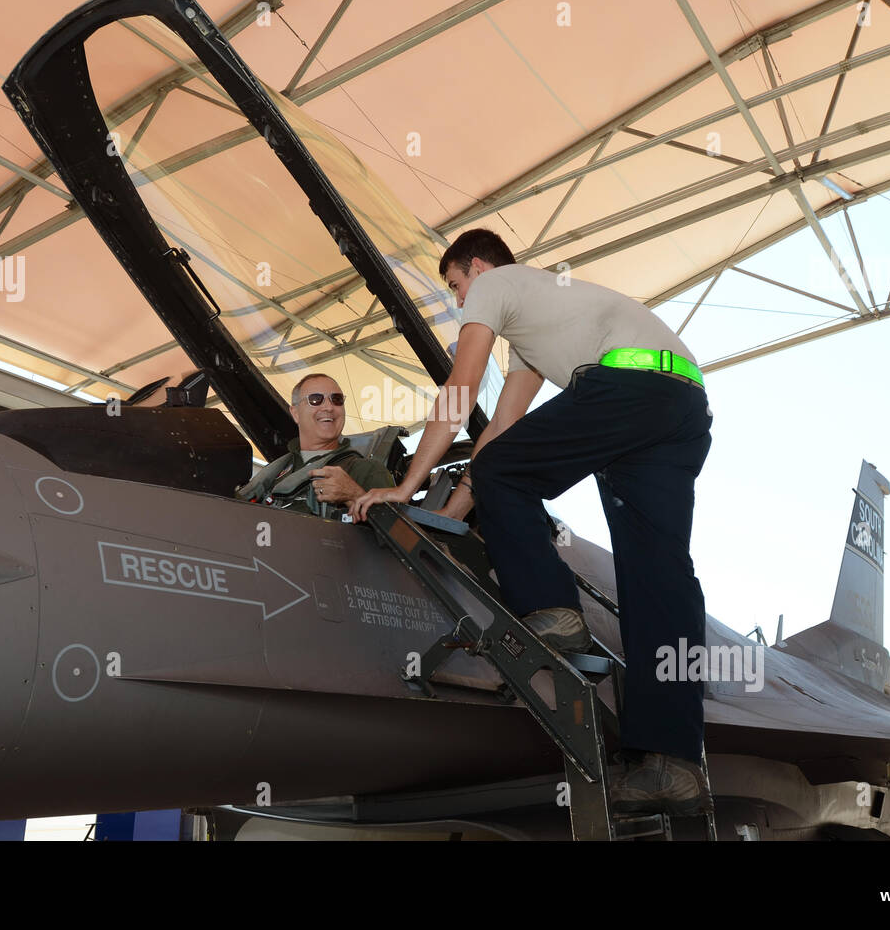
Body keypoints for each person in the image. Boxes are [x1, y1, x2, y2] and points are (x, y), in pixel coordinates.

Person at [350, 229, 713, 817]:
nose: (459, 301)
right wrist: (444, 518)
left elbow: (460, 391)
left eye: (454, 286)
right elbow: (499, 434)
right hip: (681, 403)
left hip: (626, 383)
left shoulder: (496, 283)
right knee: (659, 580)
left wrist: (405, 486)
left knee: (505, 472)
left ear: (475, 266)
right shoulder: (537, 336)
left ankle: (552, 609)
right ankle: (673, 763)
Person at [238, 373, 393, 512]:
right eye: (315, 400)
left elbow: (403, 539)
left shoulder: (366, 470)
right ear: (296, 413)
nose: (328, 407)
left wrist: (355, 496)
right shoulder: (274, 474)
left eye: (336, 399)